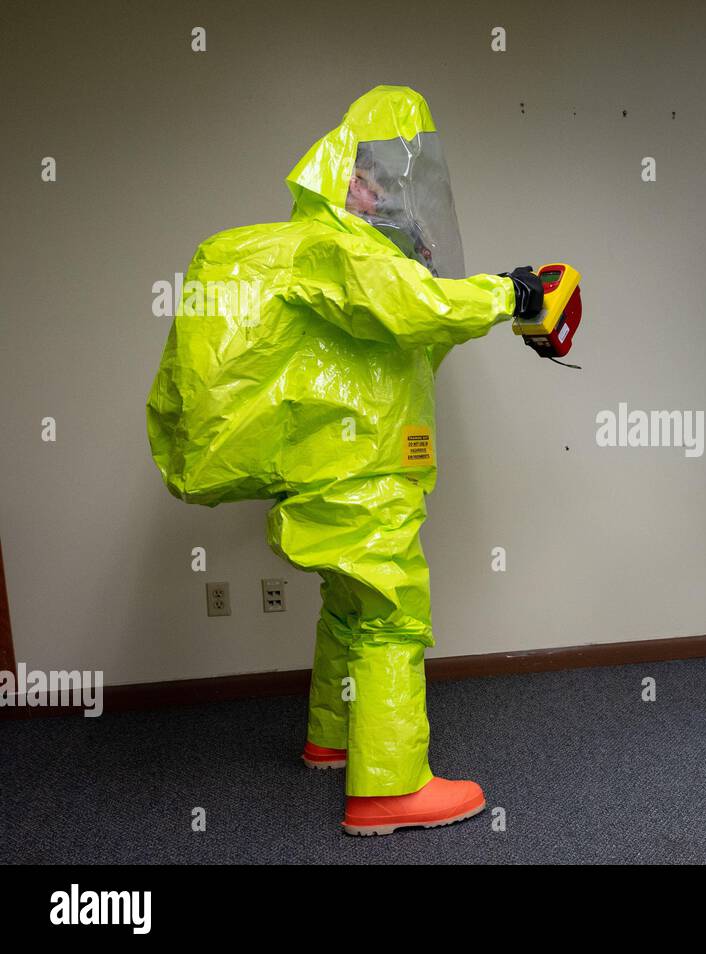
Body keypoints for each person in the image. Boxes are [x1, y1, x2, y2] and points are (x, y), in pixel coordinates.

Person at [147, 85, 544, 834]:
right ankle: (390, 789)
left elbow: (411, 332)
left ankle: (332, 738)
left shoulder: (344, 257)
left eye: (392, 182)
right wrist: (503, 293)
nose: (383, 193)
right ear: (336, 173)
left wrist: (474, 297)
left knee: (346, 610)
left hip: (339, 469)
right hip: (364, 472)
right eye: (371, 177)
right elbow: (412, 312)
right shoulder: (335, 246)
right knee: (392, 615)